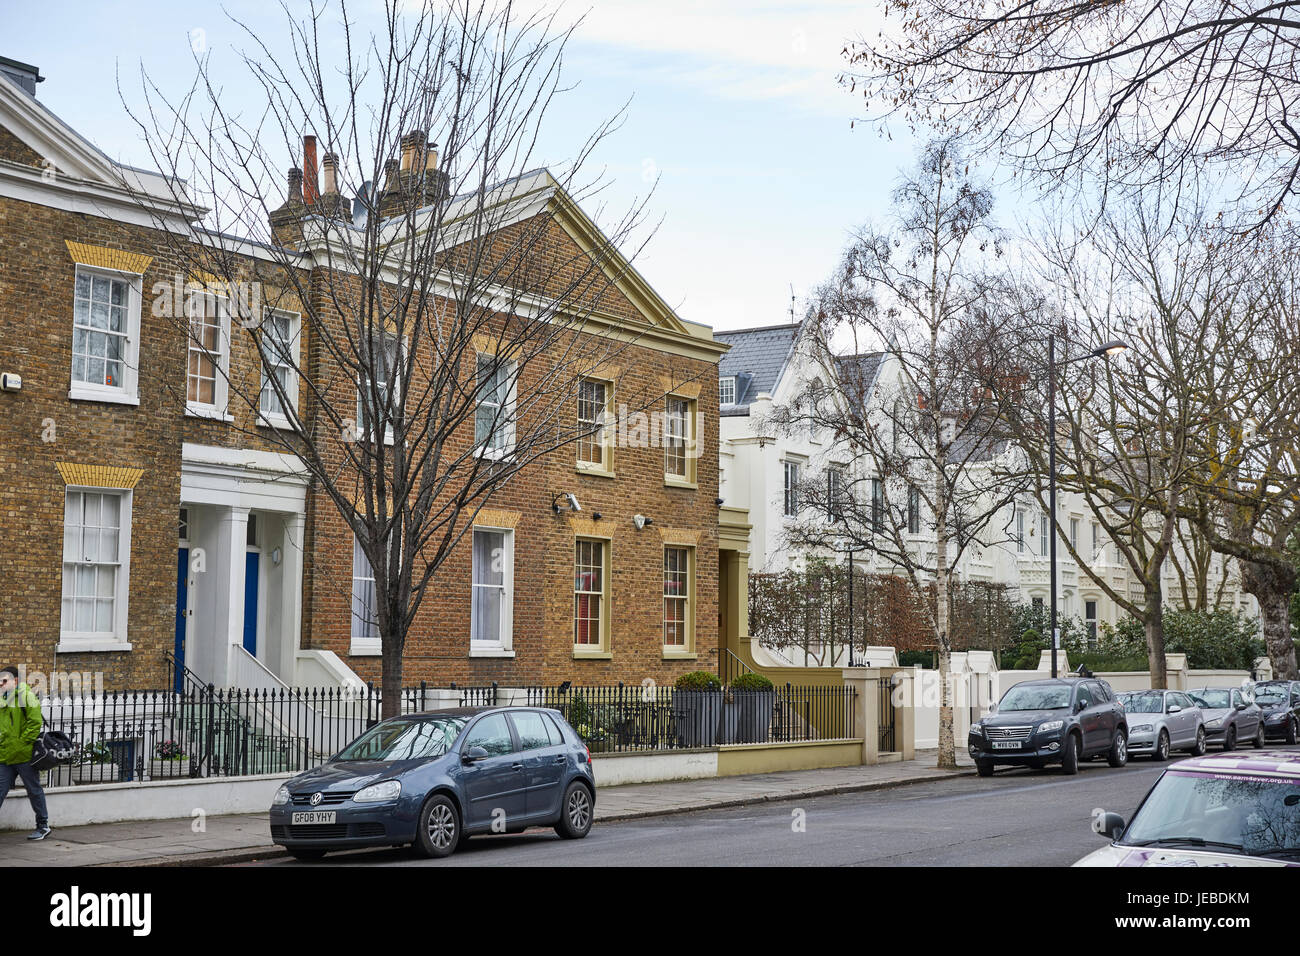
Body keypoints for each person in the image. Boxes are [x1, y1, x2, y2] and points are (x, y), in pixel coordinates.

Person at [0, 666, 50, 840]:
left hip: (24, 755)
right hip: (5, 755)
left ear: (15, 680)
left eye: (4, 680)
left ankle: (43, 826)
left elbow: (35, 722)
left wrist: (22, 743)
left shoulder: (25, 696)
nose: (1, 683)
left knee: (33, 790)